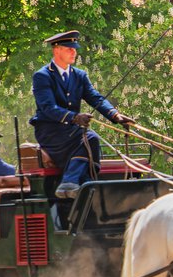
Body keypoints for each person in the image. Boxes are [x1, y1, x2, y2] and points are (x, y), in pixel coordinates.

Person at [29, 30, 133, 199]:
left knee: (88, 143)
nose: (74, 52)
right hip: (50, 132)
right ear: (56, 51)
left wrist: (116, 116)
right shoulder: (42, 76)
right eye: (69, 49)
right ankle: (69, 182)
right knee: (90, 139)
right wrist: (74, 117)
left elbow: (95, 98)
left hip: (72, 132)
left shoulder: (79, 75)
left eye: (75, 49)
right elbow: (48, 107)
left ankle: (80, 188)